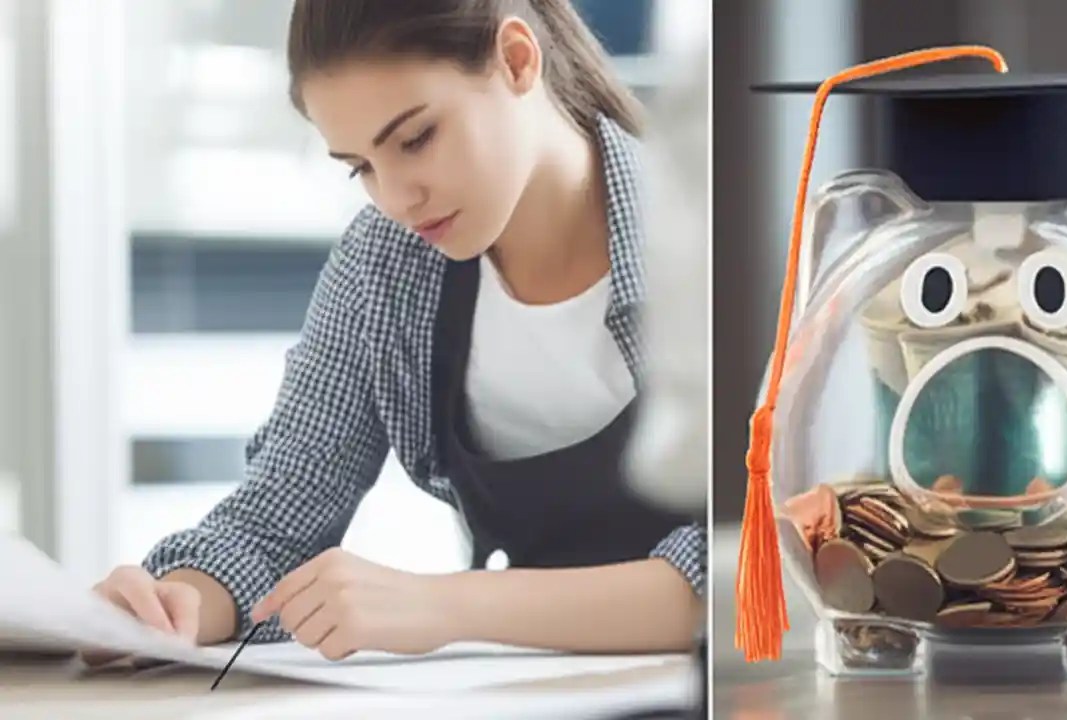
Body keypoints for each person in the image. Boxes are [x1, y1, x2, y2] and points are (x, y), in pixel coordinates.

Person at [88, 0, 705, 662]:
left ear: (518, 60)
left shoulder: (704, 237)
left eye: (415, 139)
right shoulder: (384, 266)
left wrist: (442, 605)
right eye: (361, 167)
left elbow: (745, 559)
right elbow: (274, 522)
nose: (396, 198)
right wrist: (173, 605)